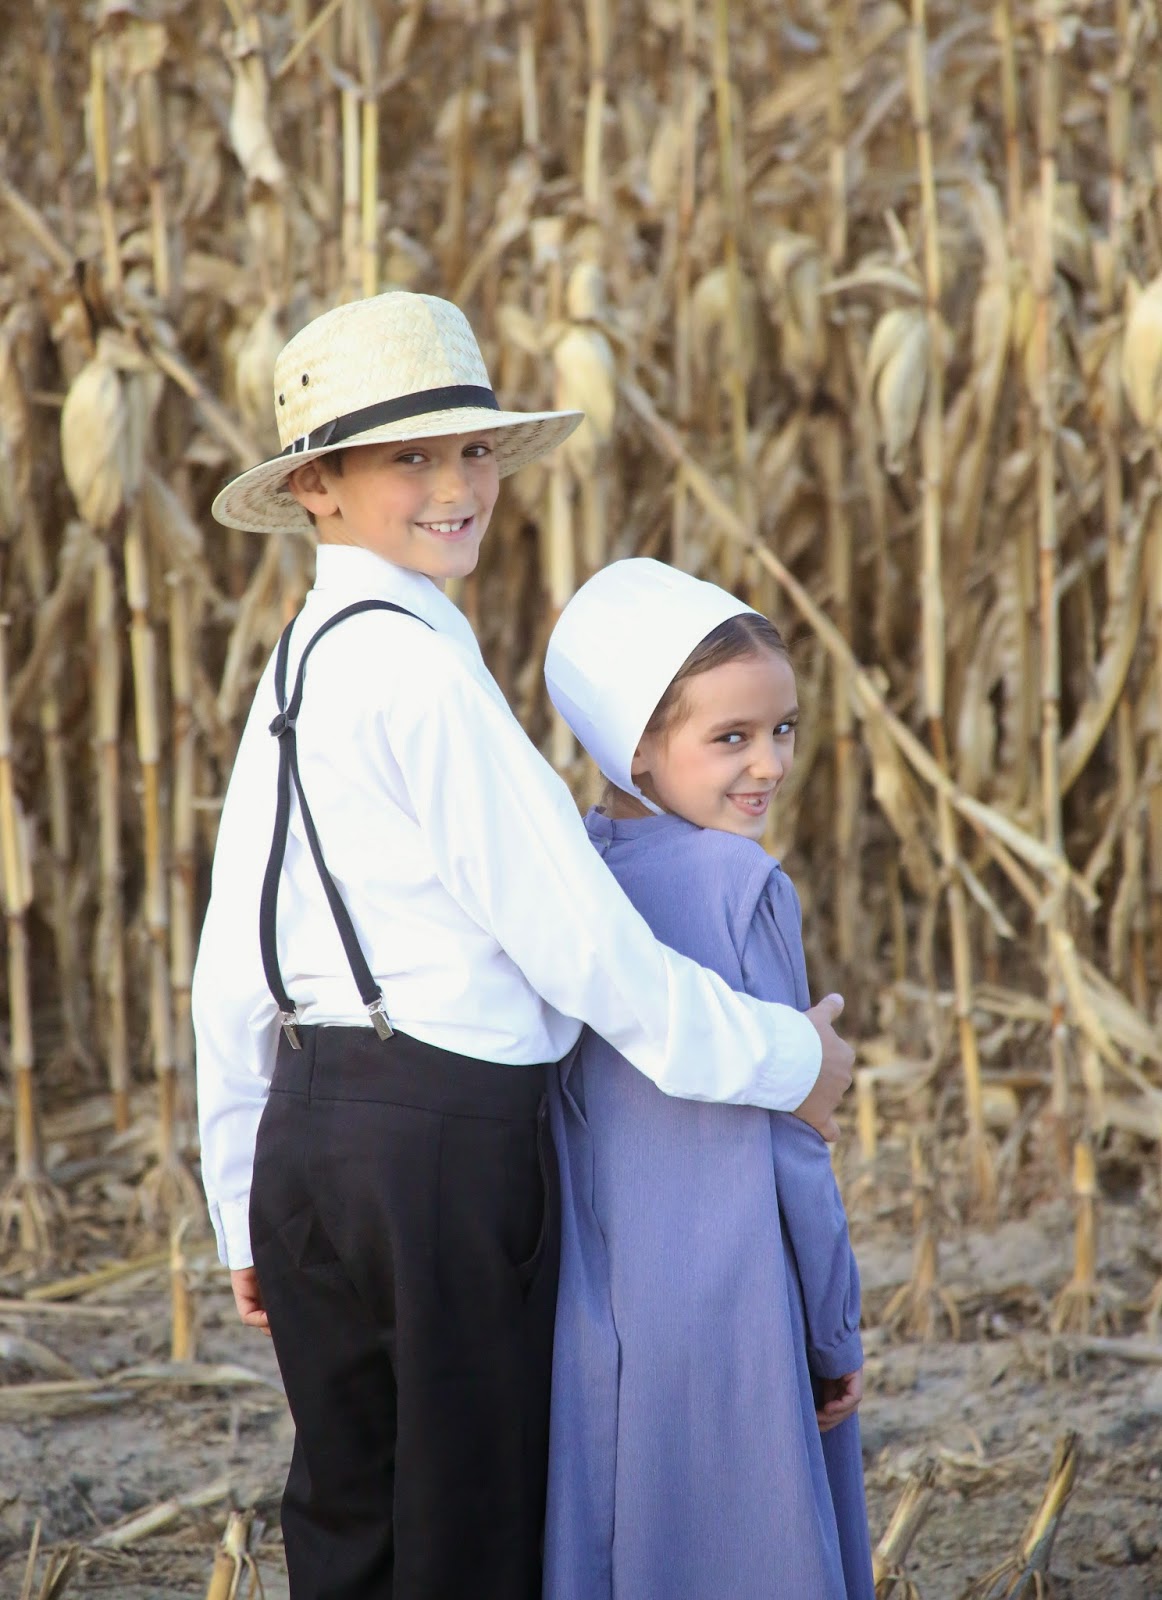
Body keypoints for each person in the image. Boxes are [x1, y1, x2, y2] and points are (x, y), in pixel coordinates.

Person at [192, 291, 855, 1600]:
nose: (456, 487)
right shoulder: (428, 678)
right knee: (468, 1533)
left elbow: (235, 949)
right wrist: (792, 1061)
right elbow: (584, 951)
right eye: (411, 458)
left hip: (308, 1147)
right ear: (316, 486)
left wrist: (238, 1190)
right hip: (439, 1151)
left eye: (474, 450)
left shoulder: (299, 663)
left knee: (350, 1525)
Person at [542, 557, 875, 1600]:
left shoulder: (569, 879)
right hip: (738, 1312)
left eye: (783, 729)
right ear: (634, 744)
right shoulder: (741, 886)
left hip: (594, 1318)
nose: (769, 763)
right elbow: (793, 1139)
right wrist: (832, 1325)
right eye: (731, 737)